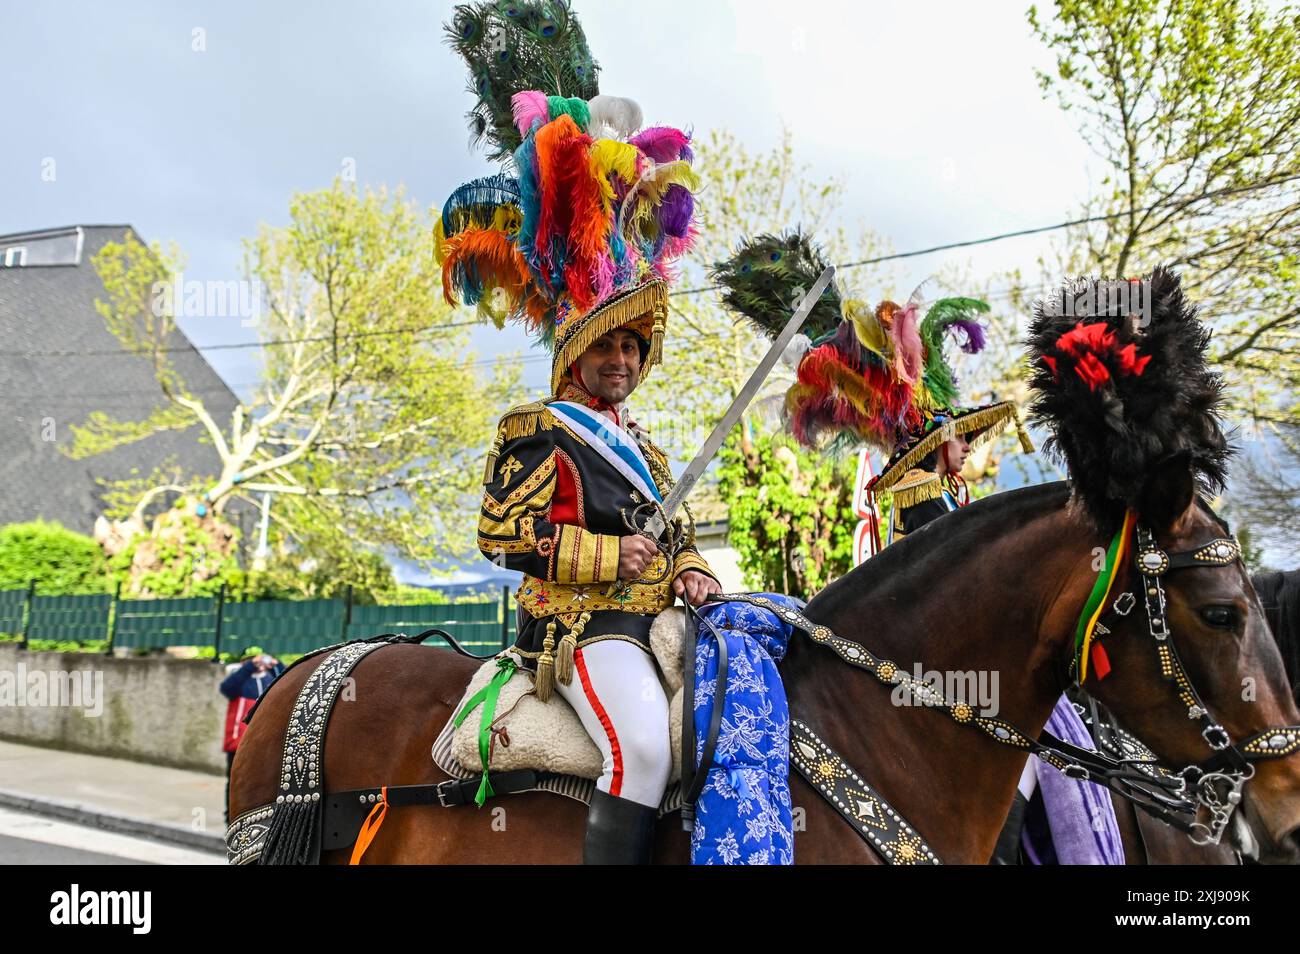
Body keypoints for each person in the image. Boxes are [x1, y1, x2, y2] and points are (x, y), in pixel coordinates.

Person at [437, 53, 721, 861]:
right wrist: (607, 553)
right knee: (647, 752)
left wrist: (693, 565)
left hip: (664, 619)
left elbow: (678, 530)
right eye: (608, 347)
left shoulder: (650, 451)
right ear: (575, 353)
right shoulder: (540, 429)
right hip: (586, 630)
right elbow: (500, 535)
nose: (623, 362)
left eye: (634, 348)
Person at [220, 650, 284, 825]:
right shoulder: (239, 680)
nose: (258, 663)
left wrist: (276, 665)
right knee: (235, 780)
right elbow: (226, 688)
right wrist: (249, 667)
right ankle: (231, 817)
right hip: (238, 742)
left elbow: (285, 684)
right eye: (251, 660)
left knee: (264, 780)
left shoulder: (269, 679)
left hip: (263, 743)